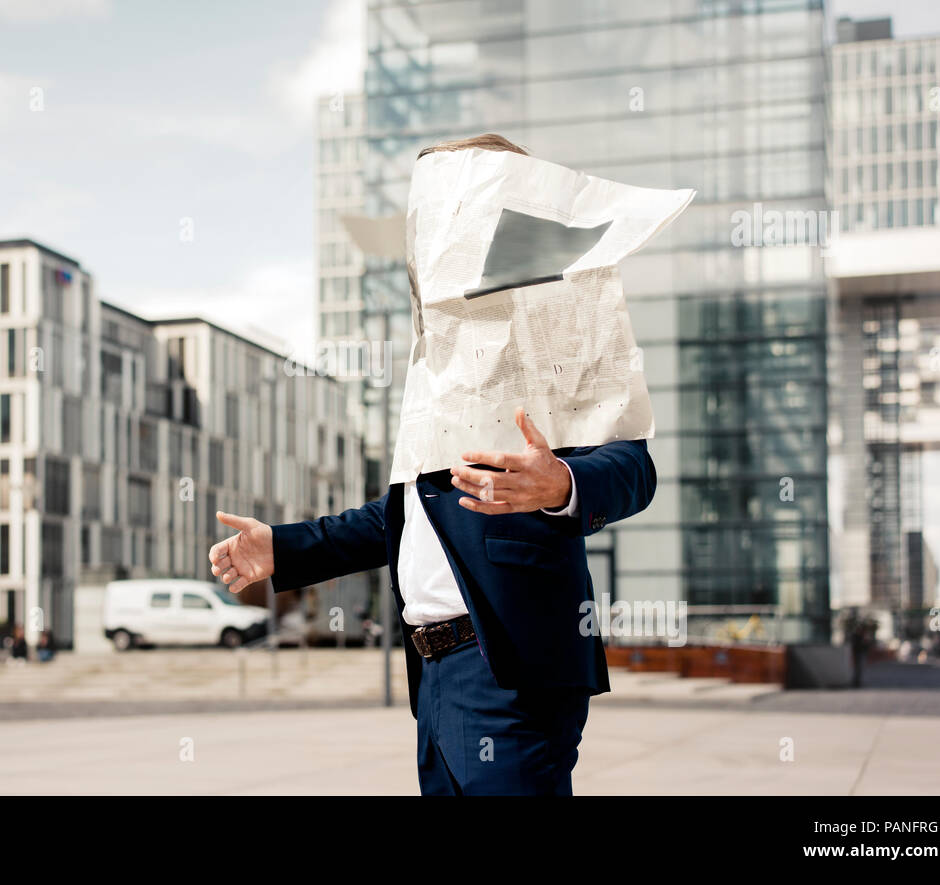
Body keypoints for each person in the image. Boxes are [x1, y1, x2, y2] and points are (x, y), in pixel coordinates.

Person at [209, 134, 657, 796]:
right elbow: (400, 519)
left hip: (509, 666)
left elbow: (634, 466)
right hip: (436, 673)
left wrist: (560, 482)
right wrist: (285, 547)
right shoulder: (441, 375)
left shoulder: (558, 333)